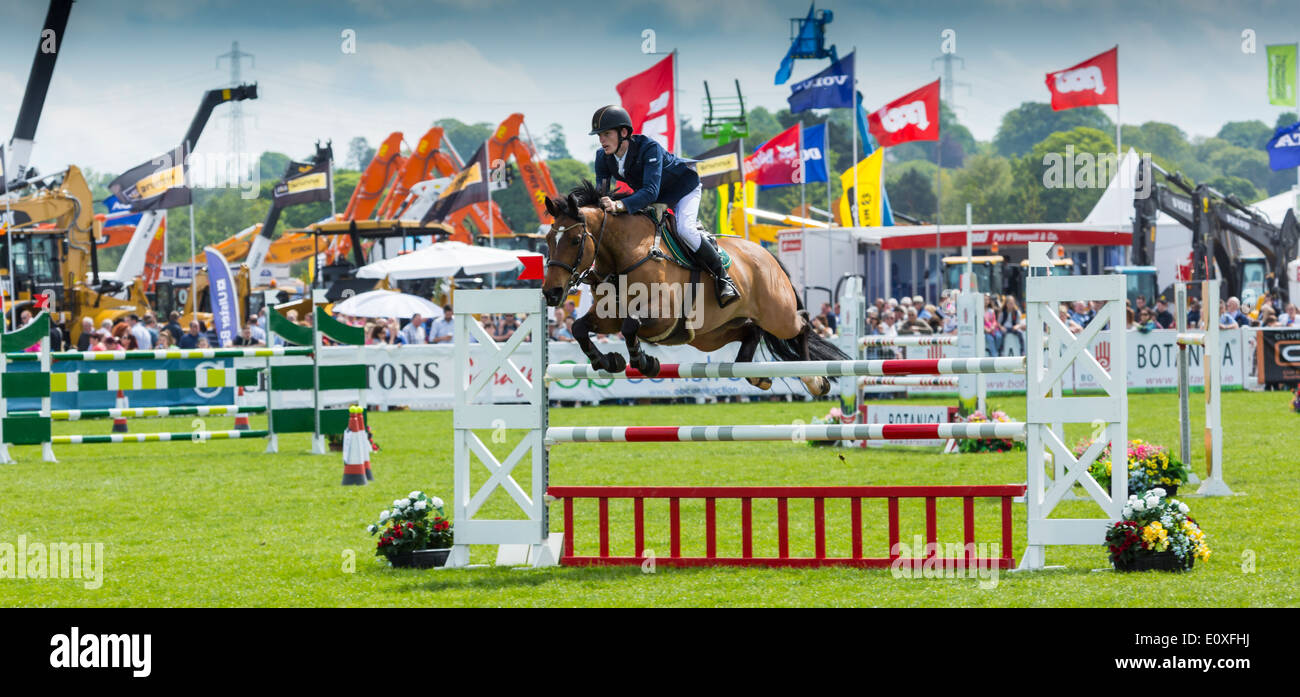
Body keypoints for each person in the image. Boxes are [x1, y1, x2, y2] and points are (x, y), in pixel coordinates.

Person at [589, 104, 738, 306]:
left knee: (685, 230)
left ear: (623, 132)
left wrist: (619, 205)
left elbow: (650, 191)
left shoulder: (648, 148)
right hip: (652, 196)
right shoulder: (602, 157)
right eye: (599, 135)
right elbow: (602, 193)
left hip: (683, 189)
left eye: (606, 134)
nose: (602, 140)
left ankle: (723, 278)